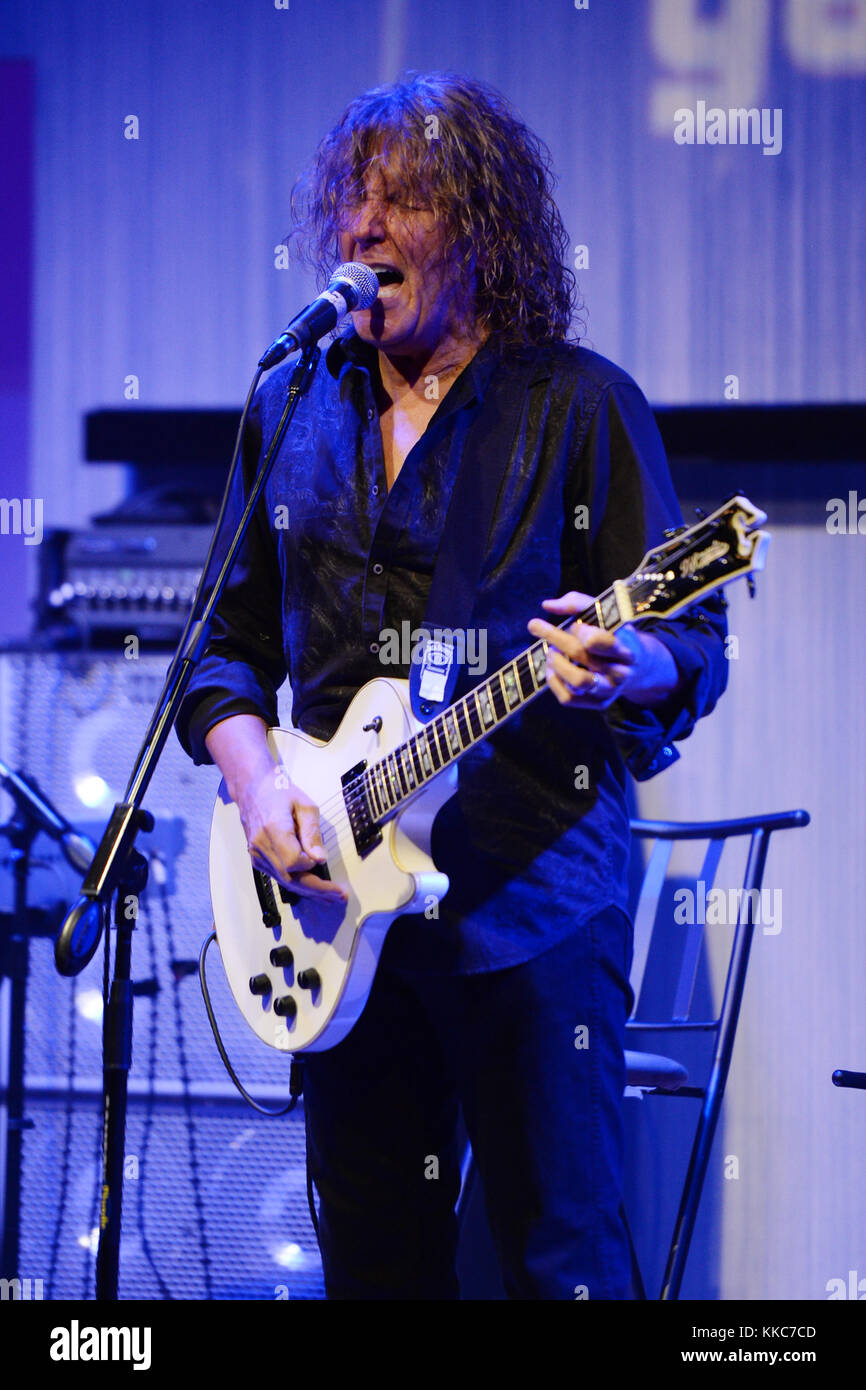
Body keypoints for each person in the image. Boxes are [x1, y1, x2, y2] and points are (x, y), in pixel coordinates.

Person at [177, 71, 728, 1300]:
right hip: (337, 913)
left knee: (560, 1260)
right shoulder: (289, 403)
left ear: (480, 229)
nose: (364, 228)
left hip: (529, 904)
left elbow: (691, 648)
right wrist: (259, 778)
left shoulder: (577, 408)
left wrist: (619, 664)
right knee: (376, 1269)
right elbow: (218, 647)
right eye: (351, 201)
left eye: (404, 199)